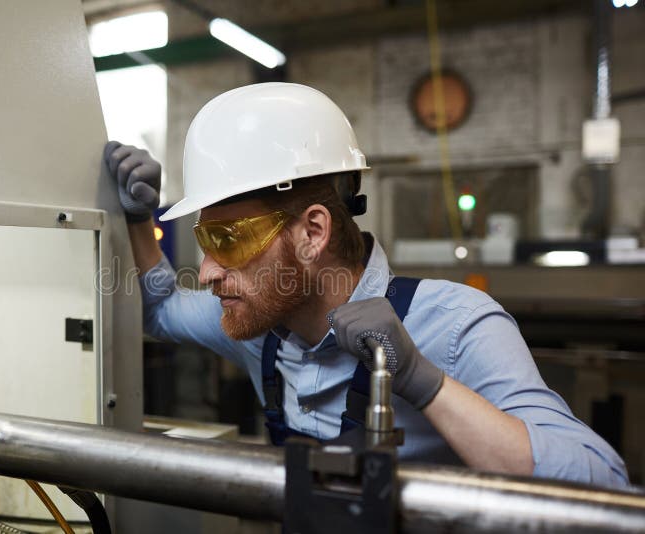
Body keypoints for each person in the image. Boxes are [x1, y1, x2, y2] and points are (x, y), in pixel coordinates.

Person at [105, 82, 628, 489]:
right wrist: (136, 218)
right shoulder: (261, 326)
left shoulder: (455, 325)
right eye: (205, 242)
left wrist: (426, 383)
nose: (212, 273)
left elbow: (603, 489)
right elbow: (161, 309)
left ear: (313, 232)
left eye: (230, 241)